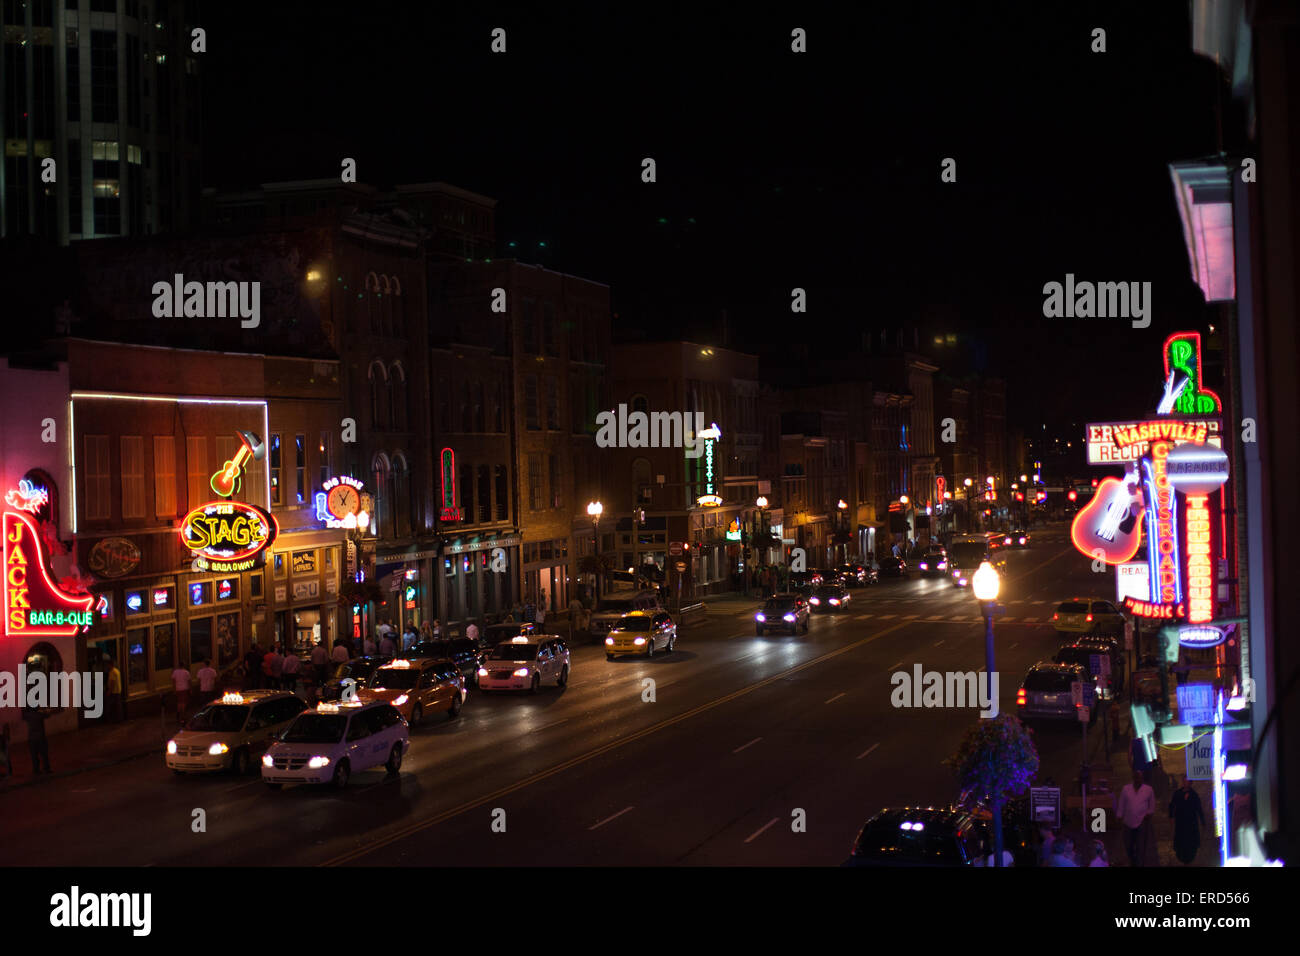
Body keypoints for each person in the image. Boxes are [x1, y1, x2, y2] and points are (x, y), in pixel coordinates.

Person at [1117, 769, 1156, 866]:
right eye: (1136, 777)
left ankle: (1139, 863)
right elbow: (1121, 804)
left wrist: (1148, 814)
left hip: (1142, 823)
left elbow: (1152, 806)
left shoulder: (1148, 790)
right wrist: (1119, 816)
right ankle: (1132, 861)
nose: (1138, 780)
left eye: (1140, 778)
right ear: (1133, 778)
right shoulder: (1126, 789)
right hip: (1128, 822)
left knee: (1140, 846)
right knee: (1128, 845)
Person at [1169, 777, 1206, 864]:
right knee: (1181, 841)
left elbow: (1199, 808)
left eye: (1187, 781)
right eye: (1184, 781)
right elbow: (1172, 805)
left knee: (1190, 842)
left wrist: (1203, 821)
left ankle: (1189, 857)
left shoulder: (1194, 795)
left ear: (1190, 783)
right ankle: (1182, 855)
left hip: (1191, 824)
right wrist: (1171, 817)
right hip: (1181, 823)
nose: (1185, 783)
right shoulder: (1177, 793)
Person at [21, 702, 51, 774]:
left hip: (31, 739)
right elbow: (48, 715)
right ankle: (46, 769)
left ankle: (36, 770)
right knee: (44, 754)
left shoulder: (28, 716)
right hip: (40, 737)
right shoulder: (39, 715)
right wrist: (45, 709)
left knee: (34, 756)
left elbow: (23, 715)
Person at [104, 658, 123, 723]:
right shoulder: (117, 671)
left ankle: (111, 719)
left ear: (110, 665)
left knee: (111, 706)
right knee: (117, 706)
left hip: (114, 692)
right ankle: (119, 719)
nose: (106, 666)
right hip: (118, 691)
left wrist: (109, 691)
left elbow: (112, 682)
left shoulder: (112, 672)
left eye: (107, 665)